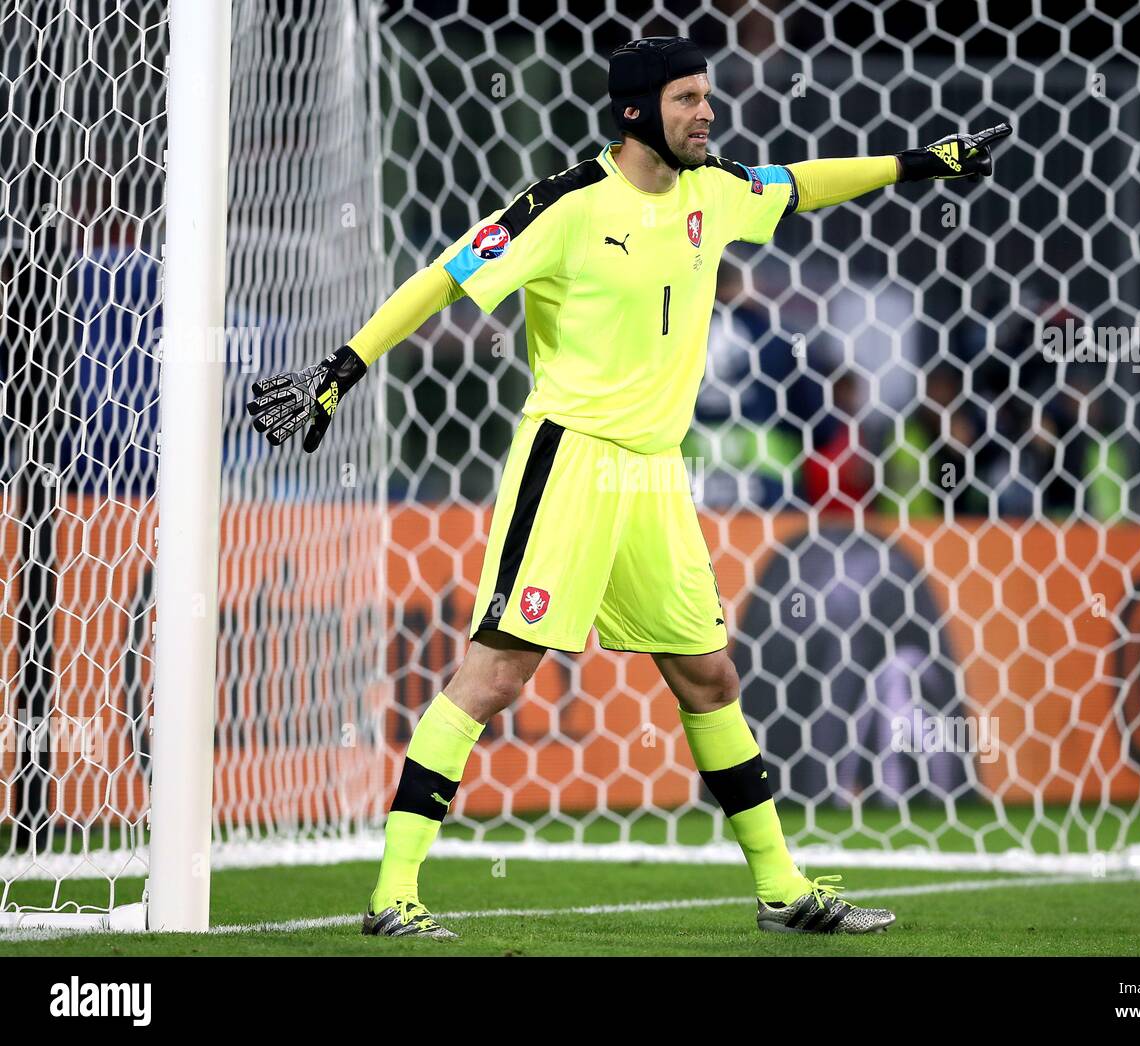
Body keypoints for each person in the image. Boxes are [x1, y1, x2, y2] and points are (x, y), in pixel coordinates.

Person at [247, 36, 1010, 938]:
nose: (707, 113)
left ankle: (781, 891)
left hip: (654, 475)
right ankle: (393, 894)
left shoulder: (714, 190)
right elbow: (441, 281)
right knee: (495, 677)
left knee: (709, 674)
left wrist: (922, 163)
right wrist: (341, 369)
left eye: (707, 97)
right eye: (688, 99)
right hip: (569, 461)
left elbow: (806, 182)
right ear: (638, 110)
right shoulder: (565, 204)